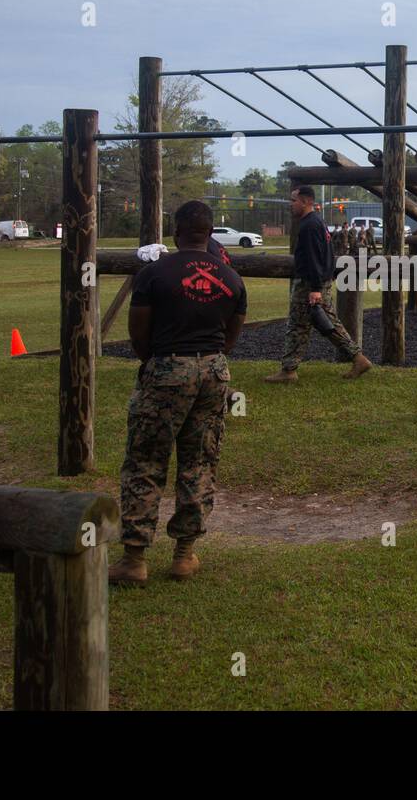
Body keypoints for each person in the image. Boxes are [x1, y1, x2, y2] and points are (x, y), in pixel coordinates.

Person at [108, 200, 247, 587]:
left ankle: (134, 560)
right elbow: (233, 334)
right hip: (214, 371)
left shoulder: (154, 274)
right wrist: (210, 358)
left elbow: (138, 333)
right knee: (200, 461)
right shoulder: (231, 278)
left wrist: (156, 363)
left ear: (176, 231)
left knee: (145, 461)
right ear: (210, 232)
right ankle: (184, 555)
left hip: (168, 367)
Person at [264, 185, 372, 383]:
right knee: (322, 325)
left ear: (305, 201)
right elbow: (327, 256)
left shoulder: (309, 225)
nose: (291, 205)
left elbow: (314, 258)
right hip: (317, 283)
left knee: (301, 325)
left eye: (293, 200)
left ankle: (289, 371)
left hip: (309, 285)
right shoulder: (316, 222)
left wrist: (314, 288)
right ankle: (357, 358)